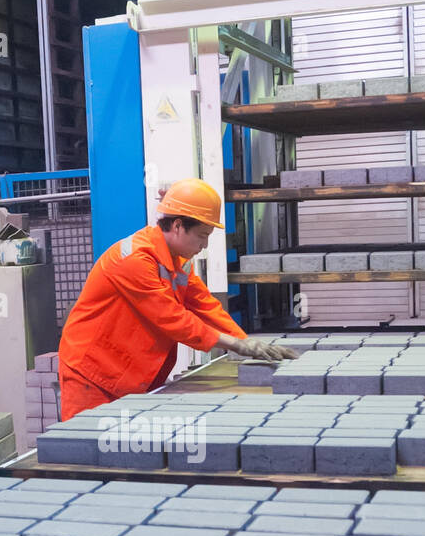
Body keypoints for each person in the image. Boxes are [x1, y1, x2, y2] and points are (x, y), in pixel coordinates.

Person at [58, 178, 294, 420]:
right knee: (86, 451)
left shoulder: (178, 261)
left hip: (130, 373)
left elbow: (206, 307)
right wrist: (236, 345)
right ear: (178, 225)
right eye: (202, 235)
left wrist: (248, 343)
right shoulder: (134, 259)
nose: (205, 245)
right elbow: (171, 318)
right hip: (93, 375)